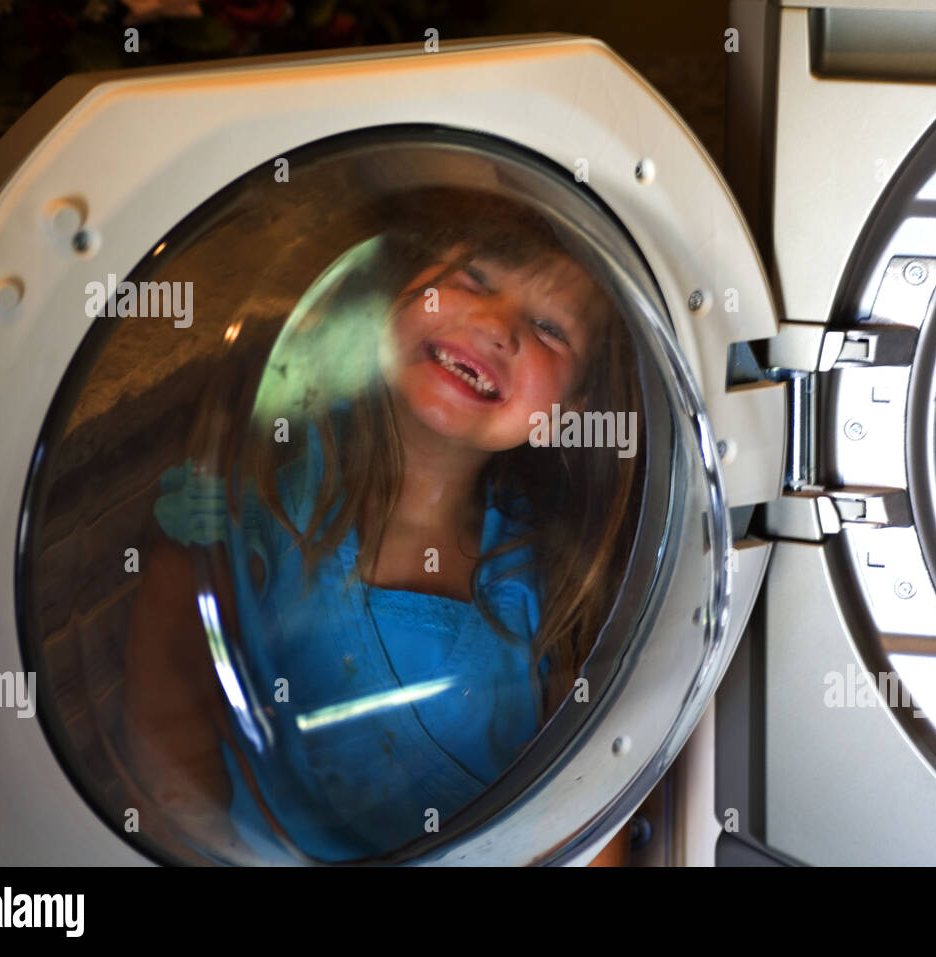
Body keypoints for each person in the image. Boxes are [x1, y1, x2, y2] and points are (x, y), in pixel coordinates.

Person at [124, 187, 644, 865]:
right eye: (474, 278)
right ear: (396, 289)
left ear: (571, 409)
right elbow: (167, 704)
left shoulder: (546, 582)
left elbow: (587, 802)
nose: (497, 325)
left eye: (550, 327)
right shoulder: (258, 495)